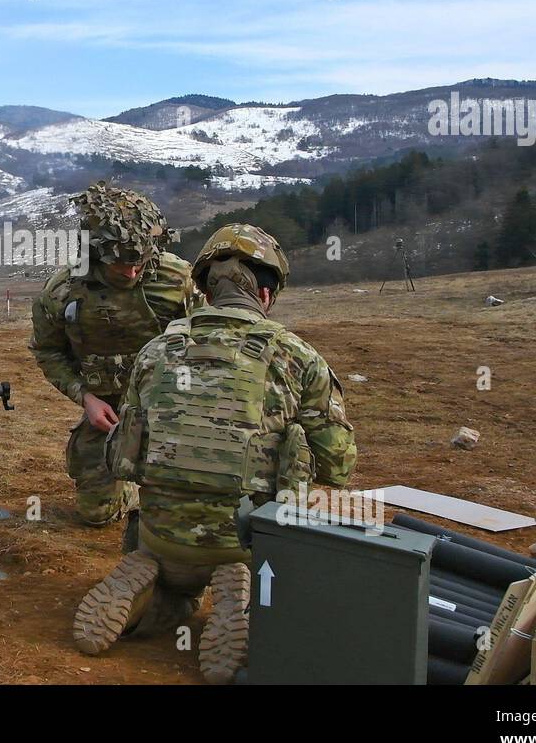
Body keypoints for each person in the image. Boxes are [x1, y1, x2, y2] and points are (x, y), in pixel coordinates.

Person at [71, 224, 357, 682]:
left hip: (160, 532)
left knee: (173, 590)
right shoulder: (297, 357)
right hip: (244, 543)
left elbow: (126, 445)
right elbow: (337, 466)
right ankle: (238, 593)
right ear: (266, 292)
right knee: (280, 551)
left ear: (204, 290)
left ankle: (159, 592)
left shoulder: (155, 351)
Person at [29, 182, 200, 535]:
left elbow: (212, 343)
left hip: (172, 406)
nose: (132, 272)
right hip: (106, 411)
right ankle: (127, 487)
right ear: (94, 253)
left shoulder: (179, 280)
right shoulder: (63, 292)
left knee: (188, 511)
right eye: (119, 263)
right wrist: (85, 397)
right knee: (97, 515)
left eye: (139, 262)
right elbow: (47, 351)